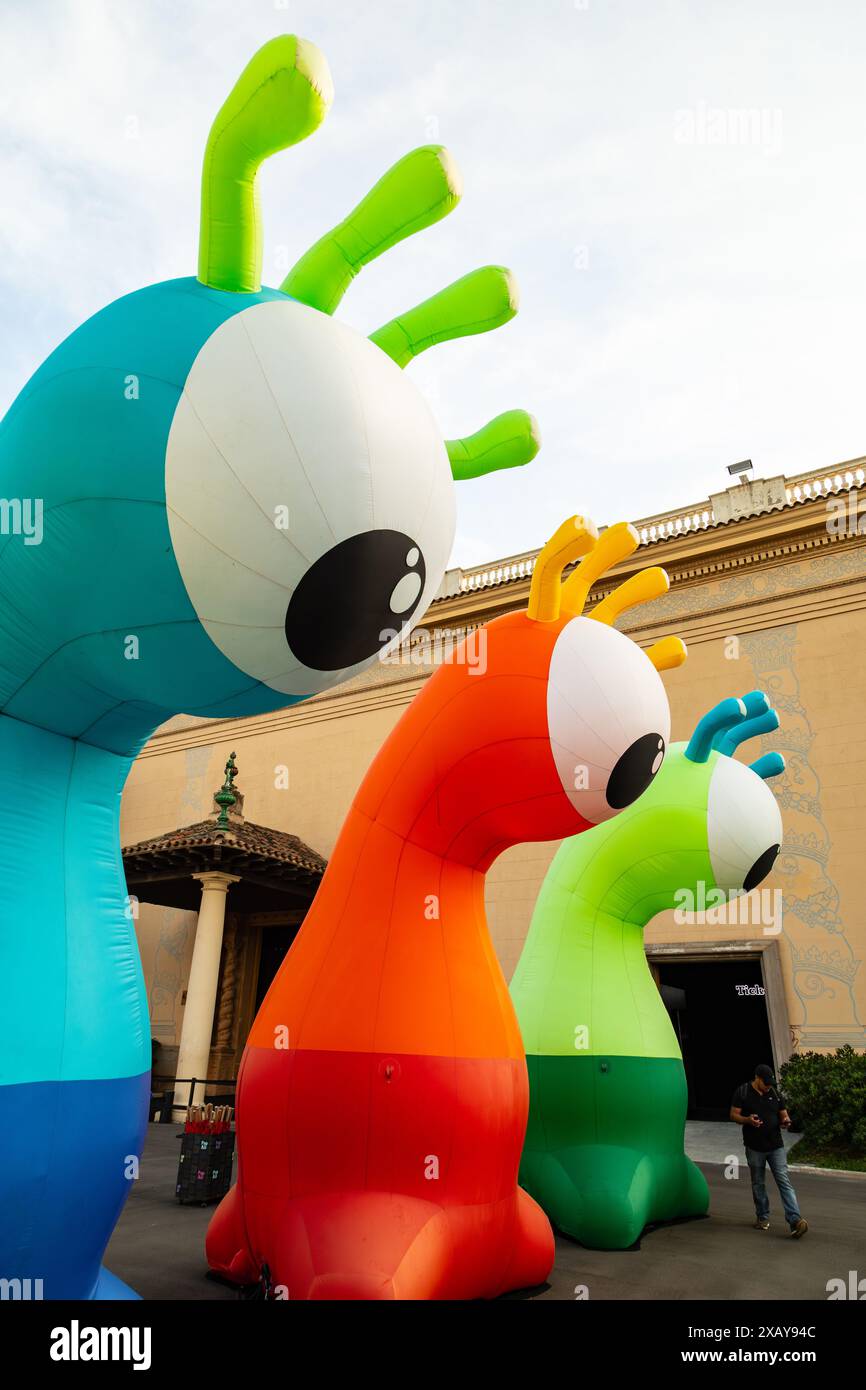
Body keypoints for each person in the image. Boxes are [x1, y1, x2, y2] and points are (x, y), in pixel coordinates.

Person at [730, 1063, 808, 1237]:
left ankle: (795, 1220)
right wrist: (748, 1120)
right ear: (757, 1079)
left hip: (775, 1146)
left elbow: (783, 1114)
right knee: (758, 1183)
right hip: (754, 1147)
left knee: (784, 1181)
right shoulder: (742, 1092)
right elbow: (733, 1114)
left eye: (770, 1083)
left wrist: (786, 1121)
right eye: (765, 1083)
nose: (768, 1087)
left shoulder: (774, 1093)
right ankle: (762, 1217)